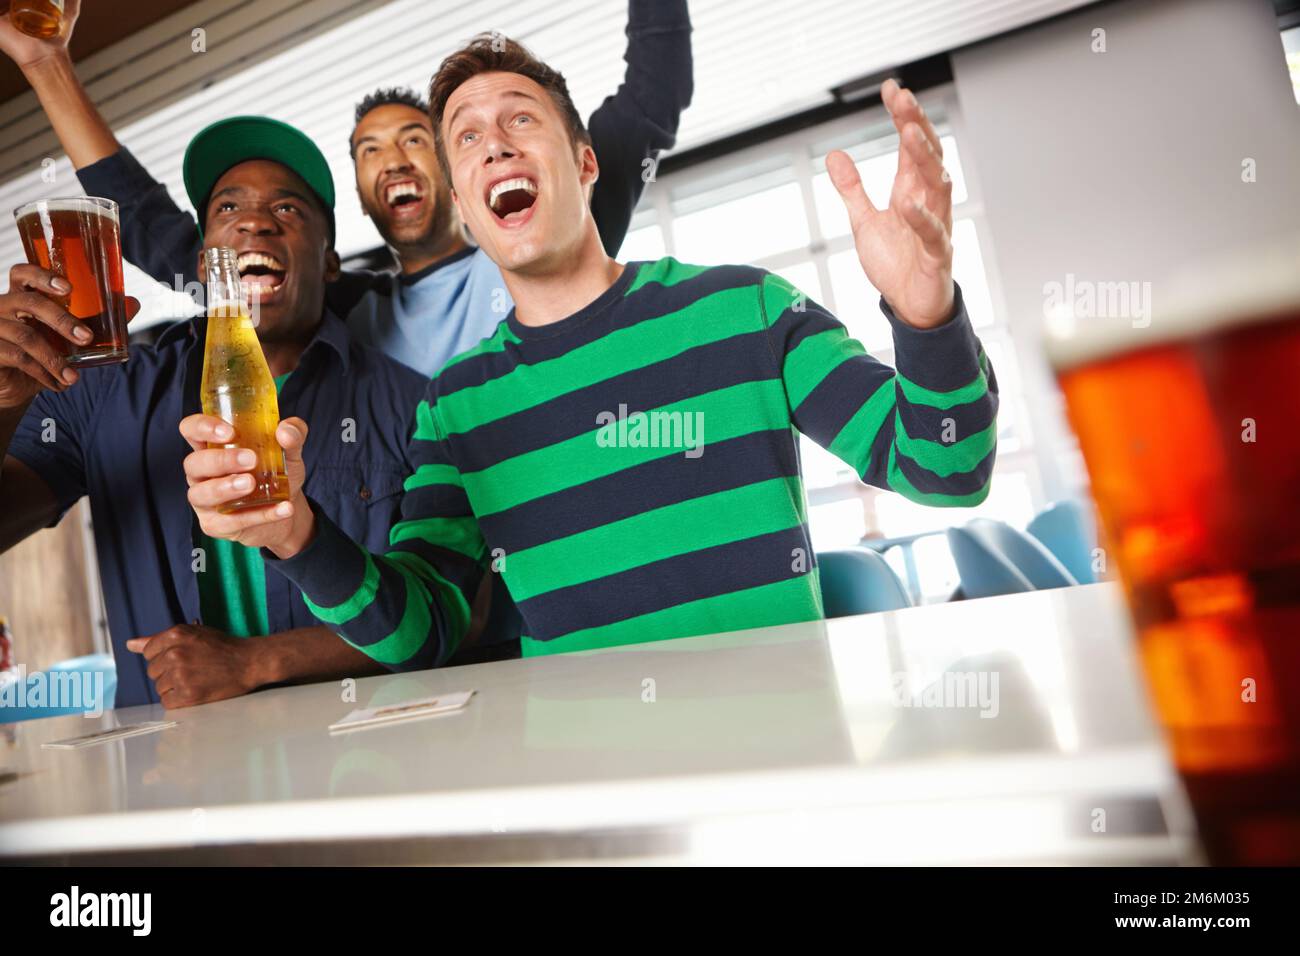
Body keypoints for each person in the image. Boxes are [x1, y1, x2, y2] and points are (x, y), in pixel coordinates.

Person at [181, 36, 1000, 669]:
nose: (494, 145)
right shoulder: (453, 406)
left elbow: (946, 470)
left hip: (782, 764)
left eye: (520, 119)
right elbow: (419, 633)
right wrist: (297, 537)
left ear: (581, 162)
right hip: (591, 802)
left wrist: (926, 315)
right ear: (465, 209)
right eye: (465, 139)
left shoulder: (744, 309)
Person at [0, 0, 693, 377]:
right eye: (368, 150)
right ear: (359, 205)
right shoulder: (344, 313)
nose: (392, 158)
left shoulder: (547, 238)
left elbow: (650, 97)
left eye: (416, 139)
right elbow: (172, 241)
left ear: (459, 170)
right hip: (424, 600)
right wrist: (46, 64)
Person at [0, 119, 430, 709]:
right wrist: (6, 400)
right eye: (229, 207)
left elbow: (459, 611)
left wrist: (259, 662)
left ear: (331, 262)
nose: (256, 220)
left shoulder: (412, 405)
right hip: (175, 782)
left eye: (289, 209)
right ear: (203, 262)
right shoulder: (101, 395)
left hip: (363, 763)